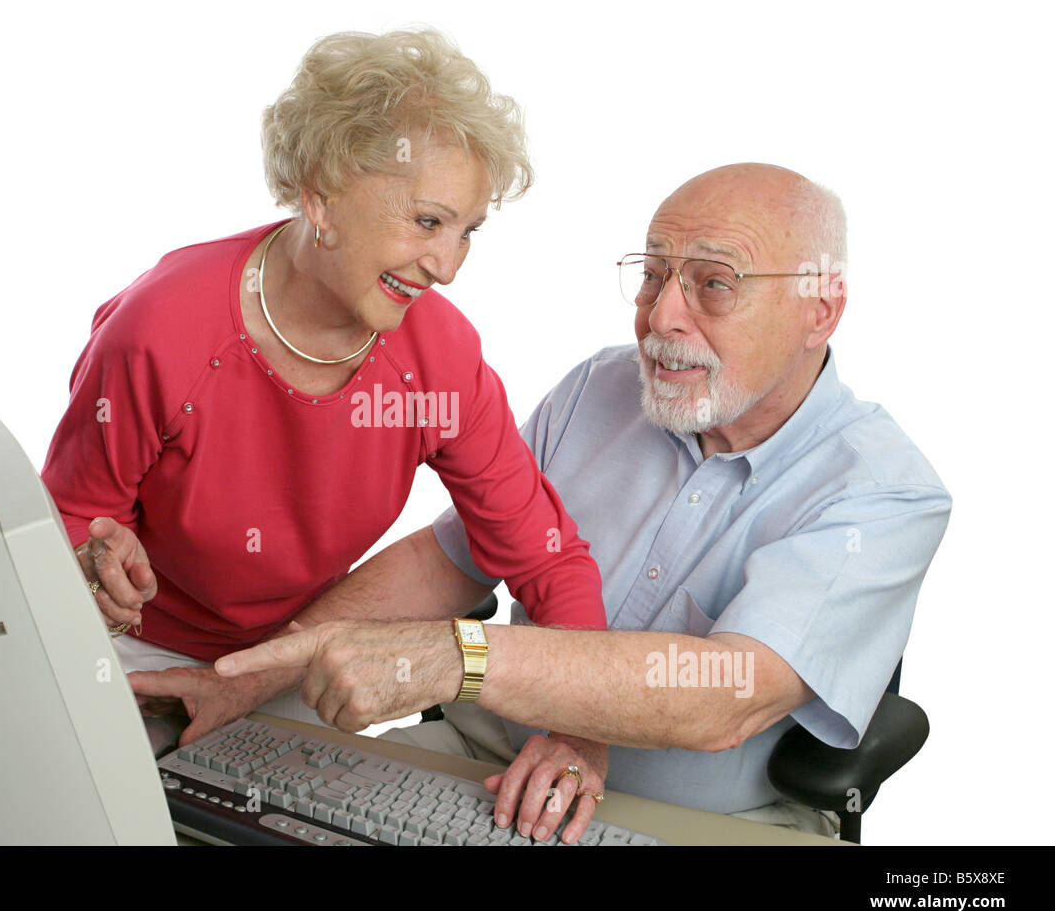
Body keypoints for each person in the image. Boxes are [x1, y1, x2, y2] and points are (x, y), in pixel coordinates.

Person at [217, 163, 953, 842]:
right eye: (653, 276)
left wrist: (457, 658)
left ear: (819, 311)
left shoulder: (884, 489)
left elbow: (726, 694)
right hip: (481, 762)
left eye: (714, 285)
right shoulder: (598, 388)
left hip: (700, 821)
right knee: (239, 810)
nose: (661, 318)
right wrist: (248, 675)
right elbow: (452, 560)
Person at [38, 30, 608, 795]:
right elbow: (73, 516)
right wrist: (97, 567)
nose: (448, 267)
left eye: (468, 231)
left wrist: (579, 728)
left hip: (298, 664)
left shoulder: (441, 358)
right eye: (428, 223)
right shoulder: (160, 330)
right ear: (321, 197)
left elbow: (547, 557)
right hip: (140, 658)